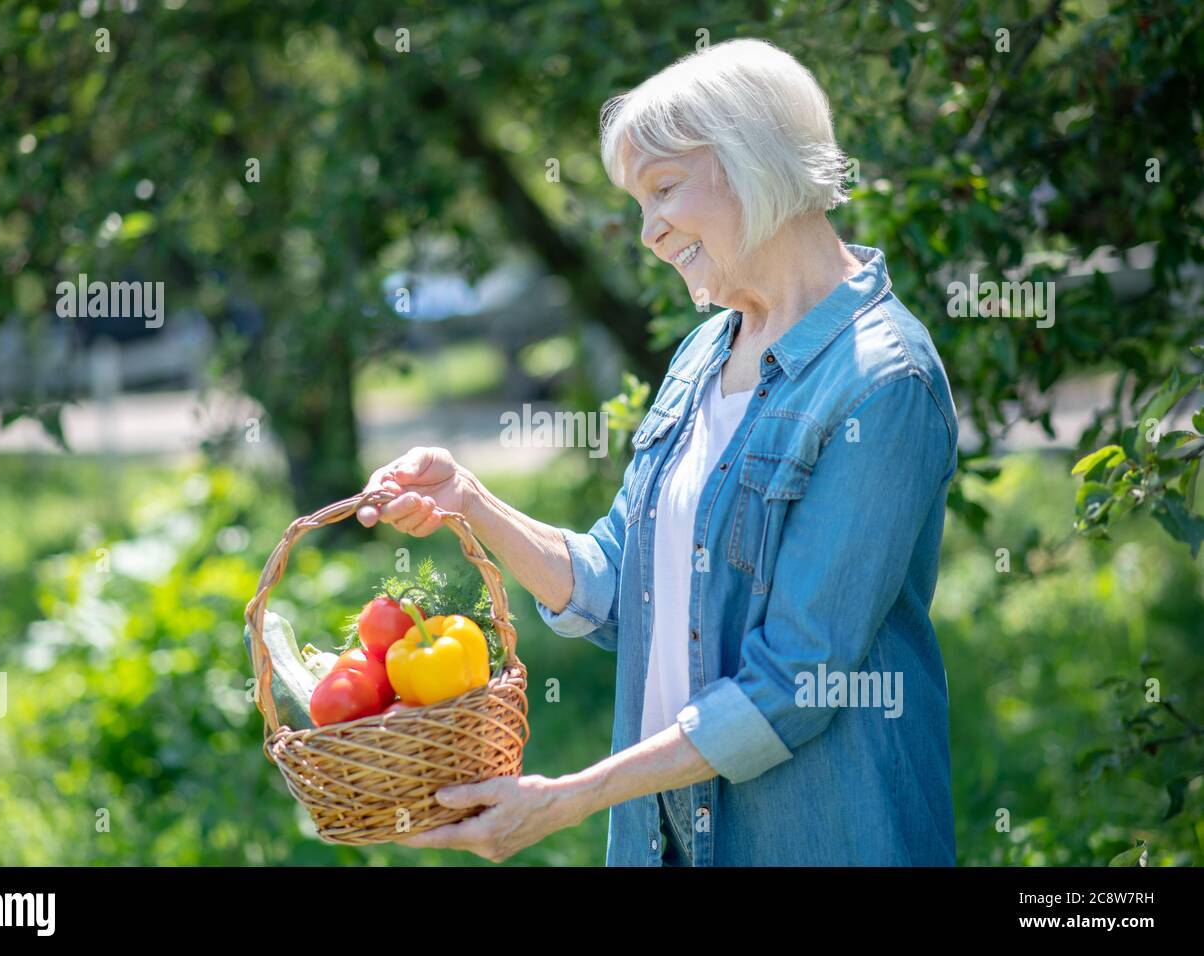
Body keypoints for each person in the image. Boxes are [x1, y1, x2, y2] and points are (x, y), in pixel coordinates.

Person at [356, 37, 957, 866]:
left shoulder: (882, 379)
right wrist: (469, 500)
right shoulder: (706, 353)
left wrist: (566, 800)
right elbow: (616, 583)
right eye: (640, 203)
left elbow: (795, 683)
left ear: (756, 162)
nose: (649, 232)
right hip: (664, 841)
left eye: (664, 190)